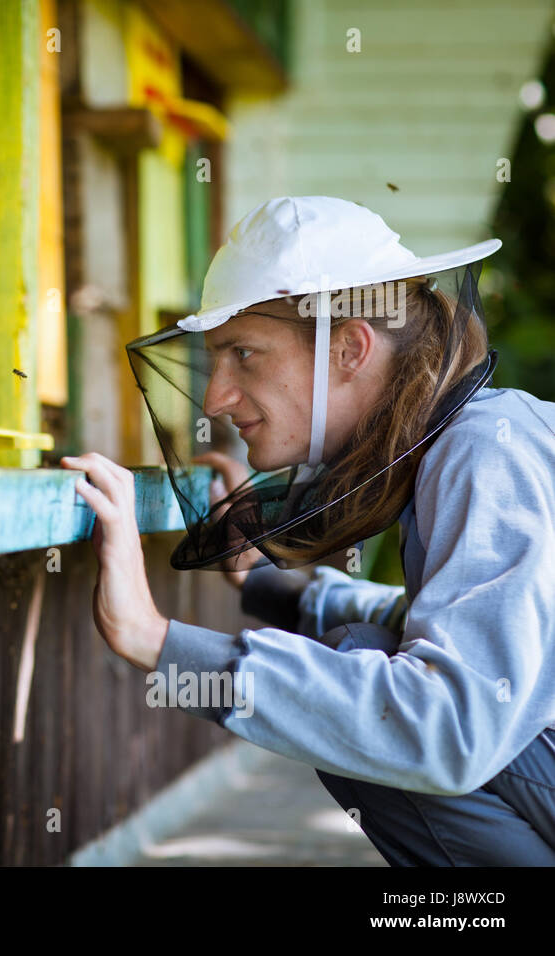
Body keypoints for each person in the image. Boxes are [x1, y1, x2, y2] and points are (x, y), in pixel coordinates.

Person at [62, 195, 555, 866]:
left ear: (349, 348)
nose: (214, 398)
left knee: (368, 679)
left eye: (243, 354)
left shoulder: (485, 450)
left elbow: (452, 727)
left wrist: (155, 640)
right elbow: (470, 635)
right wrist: (266, 583)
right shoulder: (476, 439)